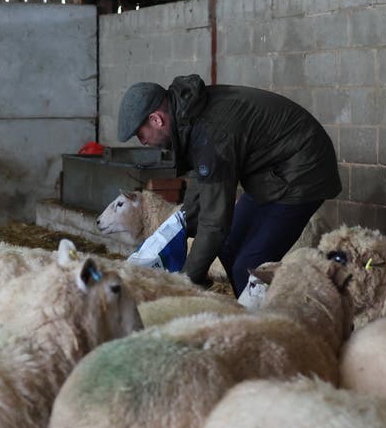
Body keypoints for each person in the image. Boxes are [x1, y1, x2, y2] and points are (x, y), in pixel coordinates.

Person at [117, 74, 341, 296]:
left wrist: (184, 283)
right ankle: (247, 307)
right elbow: (203, 181)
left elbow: (215, 221)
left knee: (249, 266)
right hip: (270, 171)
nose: (143, 142)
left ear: (157, 119)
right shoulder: (188, 115)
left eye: (140, 134)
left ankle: (269, 323)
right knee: (228, 246)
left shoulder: (211, 132)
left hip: (303, 171)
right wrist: (178, 227)